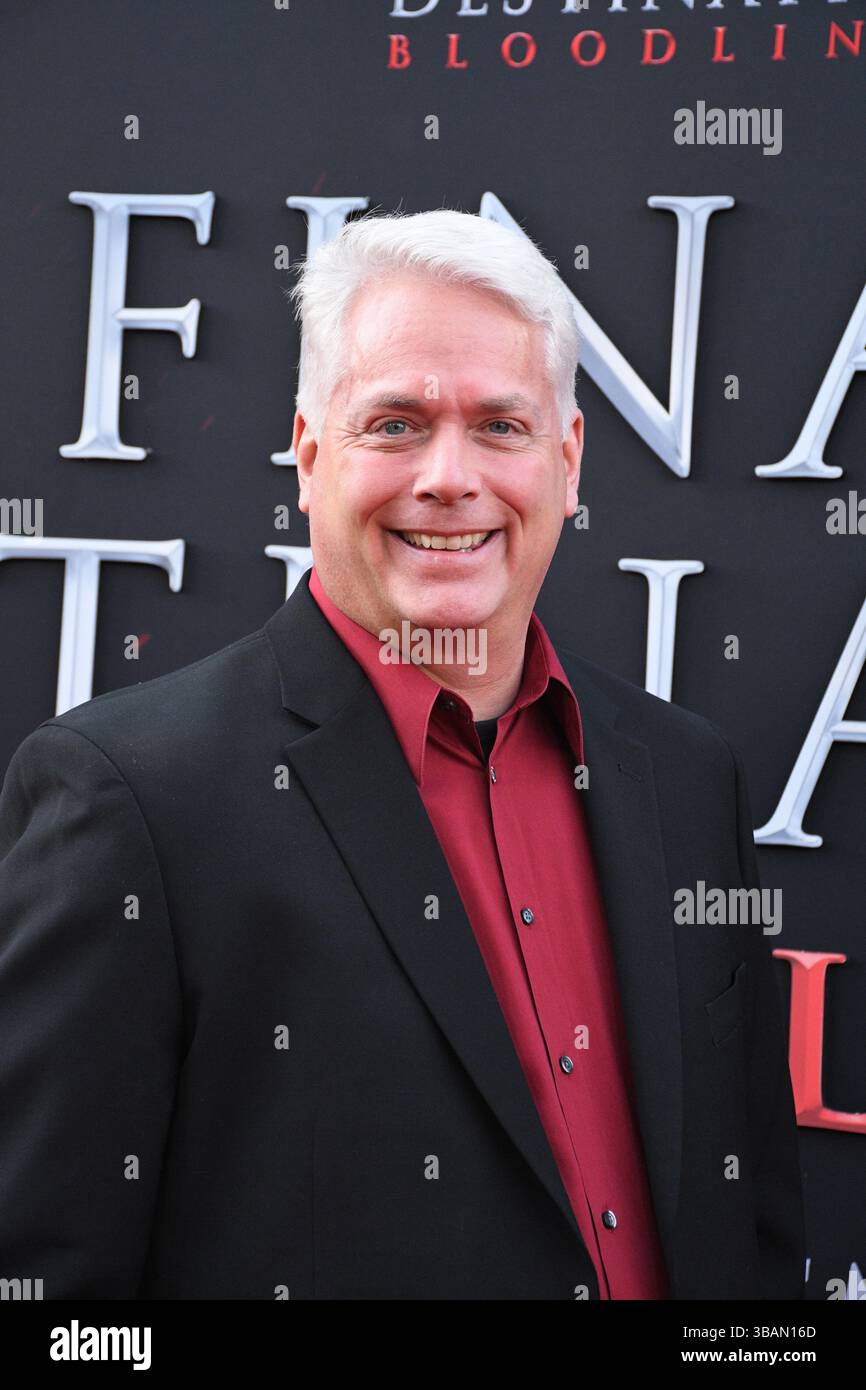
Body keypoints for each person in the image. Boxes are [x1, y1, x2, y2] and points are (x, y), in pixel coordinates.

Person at [0, 208, 804, 1300]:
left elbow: (749, 1224)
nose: (448, 476)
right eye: (393, 424)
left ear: (567, 462)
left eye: (500, 427)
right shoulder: (130, 799)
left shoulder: (686, 778)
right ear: (308, 451)